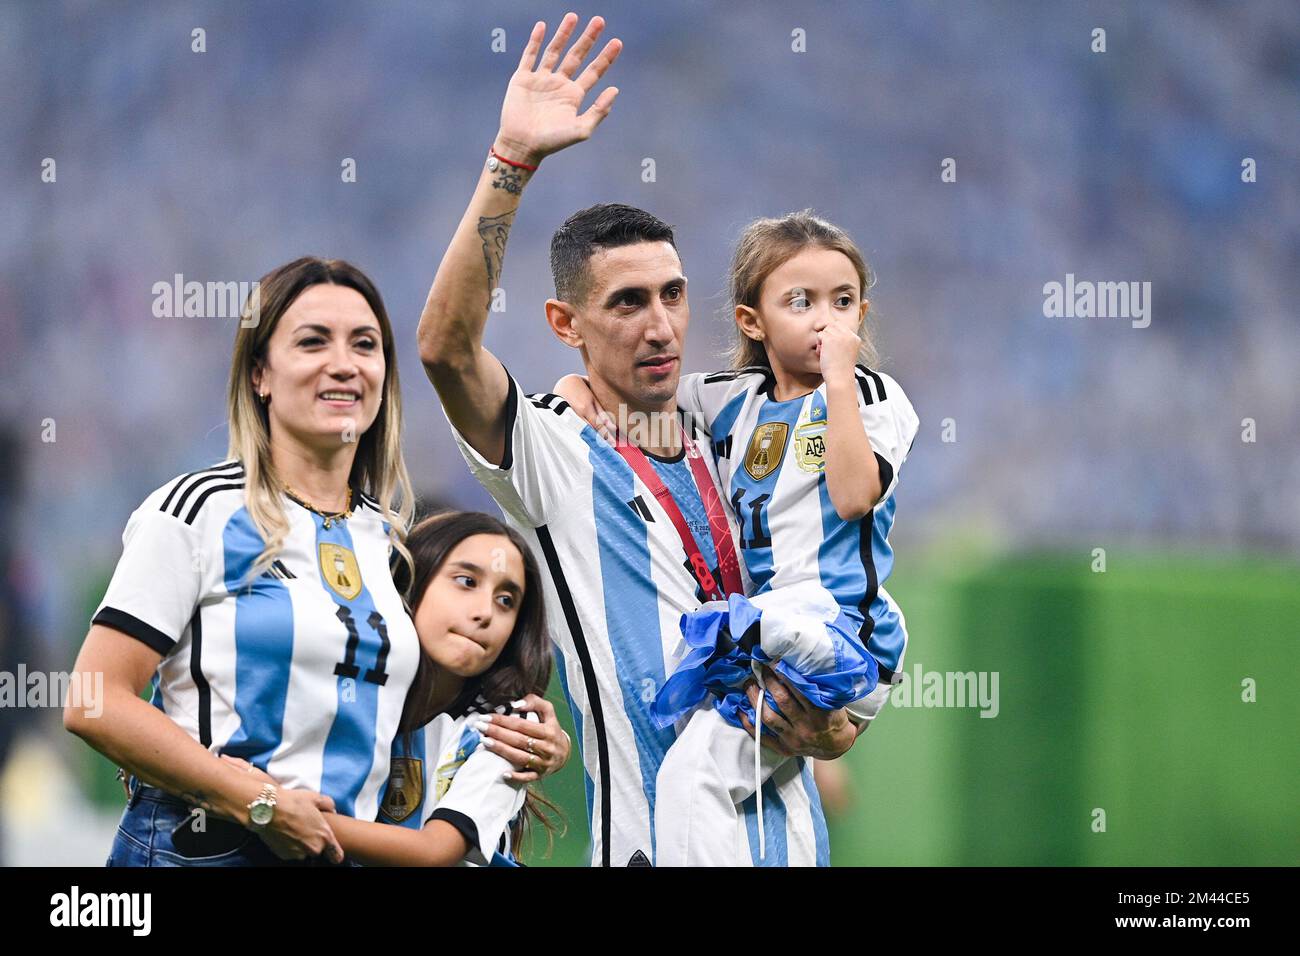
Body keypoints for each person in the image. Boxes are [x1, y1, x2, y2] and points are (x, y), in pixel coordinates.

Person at [417, 14, 863, 866]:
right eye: (627, 303)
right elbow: (443, 347)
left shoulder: (737, 431)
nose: (660, 325)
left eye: (673, 294)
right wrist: (512, 163)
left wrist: (833, 714)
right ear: (564, 323)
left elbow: (825, 587)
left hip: (794, 844)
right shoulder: (551, 447)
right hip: (651, 845)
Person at [64, 256, 565, 866]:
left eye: (365, 344)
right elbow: (94, 699)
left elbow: (429, 692)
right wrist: (259, 802)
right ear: (259, 375)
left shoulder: (391, 546)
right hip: (197, 850)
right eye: (312, 342)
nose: (343, 363)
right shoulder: (196, 509)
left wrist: (533, 733)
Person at [557, 210, 920, 864]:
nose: (825, 321)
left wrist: (837, 379)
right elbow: (633, 400)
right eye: (799, 302)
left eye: (843, 302)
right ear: (753, 321)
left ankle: (729, 638)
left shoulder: (871, 395)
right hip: (779, 639)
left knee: (694, 772)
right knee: (699, 778)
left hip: (840, 627)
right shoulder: (729, 401)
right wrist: (570, 388)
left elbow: (854, 493)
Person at [223, 511, 566, 865]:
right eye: (466, 581)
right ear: (411, 580)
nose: (485, 613)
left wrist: (265, 806)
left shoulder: (506, 729)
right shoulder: (343, 686)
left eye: (506, 600)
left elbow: (434, 853)